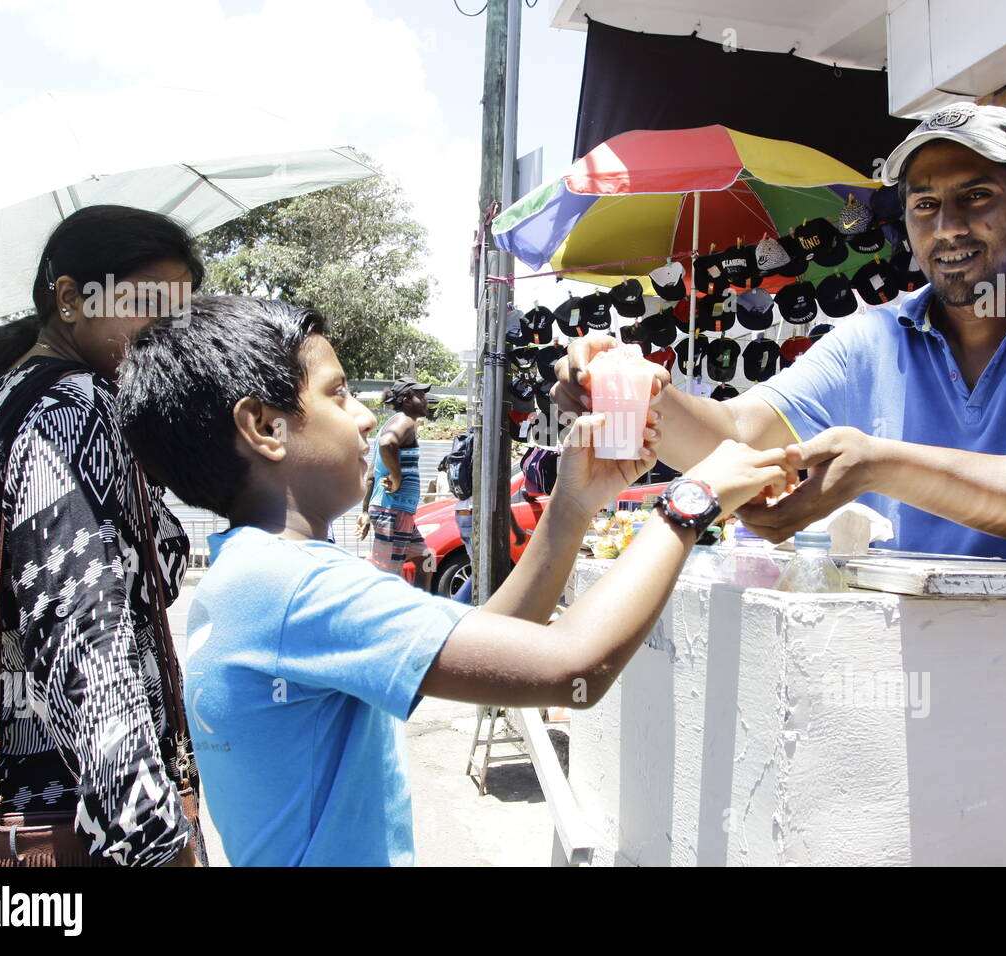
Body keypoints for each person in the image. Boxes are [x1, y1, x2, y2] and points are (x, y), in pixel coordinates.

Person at [552, 104, 1006, 867]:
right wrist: (635, 387)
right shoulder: (874, 337)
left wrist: (881, 463)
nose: (948, 224)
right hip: (922, 747)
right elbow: (736, 433)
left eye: (977, 196)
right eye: (925, 204)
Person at [114, 295, 792, 866]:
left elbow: (498, 639)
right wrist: (692, 501)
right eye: (339, 394)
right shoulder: (294, 588)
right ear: (264, 427)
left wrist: (571, 508)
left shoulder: (252, 575)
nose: (366, 416)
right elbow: (571, 668)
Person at [0, 205, 204, 867]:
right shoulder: (76, 409)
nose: (166, 334)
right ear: (70, 298)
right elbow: (87, 641)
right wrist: (156, 837)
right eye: (147, 305)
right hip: (65, 815)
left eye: (180, 316)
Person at [359, 376, 433, 589]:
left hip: (394, 510)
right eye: (421, 396)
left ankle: (421, 609)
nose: (426, 400)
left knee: (426, 561)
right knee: (386, 575)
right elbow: (386, 443)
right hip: (393, 511)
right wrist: (397, 476)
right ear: (407, 400)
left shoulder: (392, 423)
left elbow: (372, 473)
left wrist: (365, 511)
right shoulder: (405, 421)